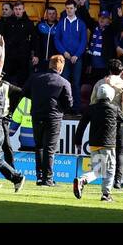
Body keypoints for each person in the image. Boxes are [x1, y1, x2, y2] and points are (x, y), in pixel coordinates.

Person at [26, 54, 73, 185]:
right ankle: (48, 178)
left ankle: (40, 176)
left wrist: (37, 99)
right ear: (61, 68)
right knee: (50, 148)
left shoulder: (35, 78)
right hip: (54, 117)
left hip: (37, 115)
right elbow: (69, 103)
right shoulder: (64, 82)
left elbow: (24, 92)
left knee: (39, 146)